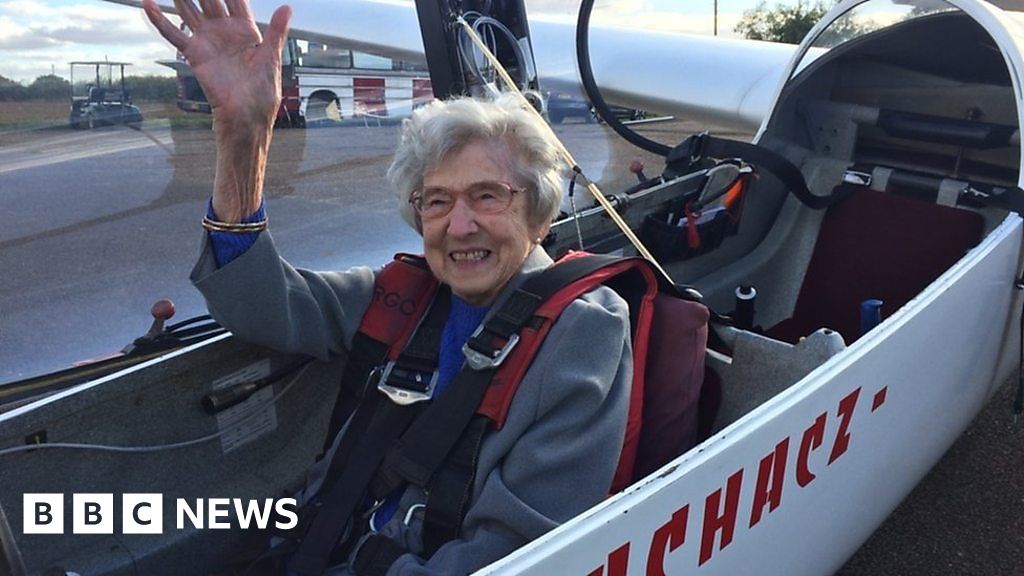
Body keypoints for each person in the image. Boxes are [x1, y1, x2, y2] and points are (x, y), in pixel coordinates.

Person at [143, 0, 632, 574]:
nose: (459, 225)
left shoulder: (583, 329)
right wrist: (243, 137)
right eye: (438, 201)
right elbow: (260, 305)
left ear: (541, 216)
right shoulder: (407, 295)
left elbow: (513, 557)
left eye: (488, 196)